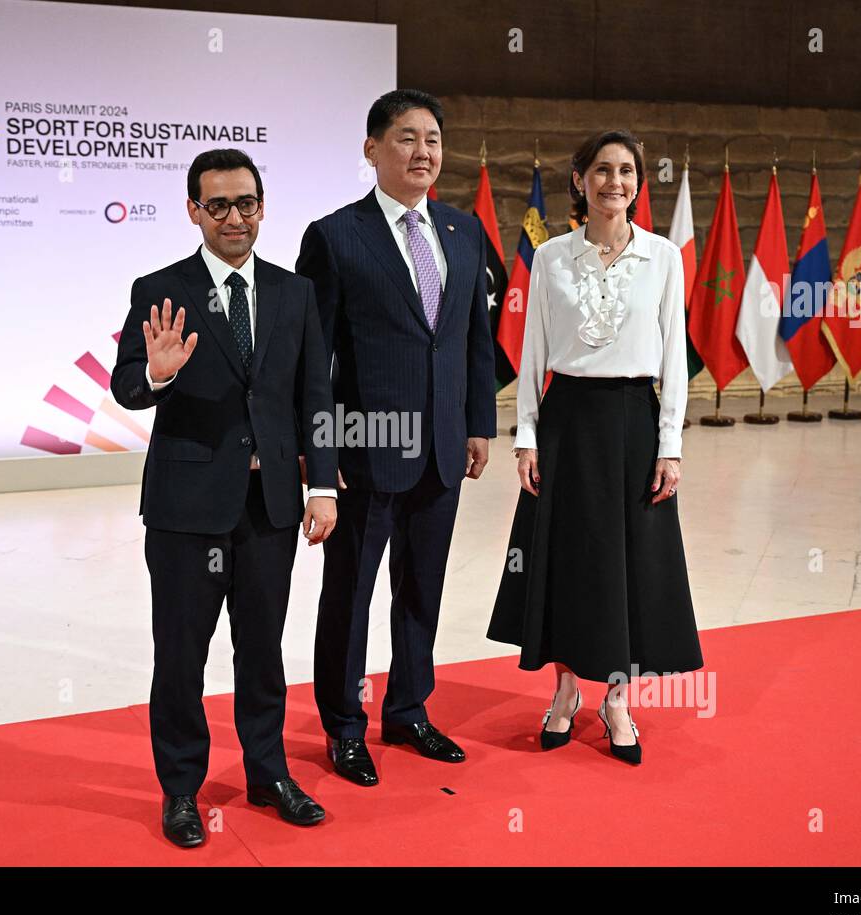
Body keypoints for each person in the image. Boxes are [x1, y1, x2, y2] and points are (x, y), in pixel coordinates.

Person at [111, 148, 339, 847]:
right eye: (219, 206)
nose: (235, 217)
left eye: (247, 203)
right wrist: (156, 372)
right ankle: (180, 789)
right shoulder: (159, 287)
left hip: (269, 506)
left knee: (262, 650)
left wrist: (322, 483)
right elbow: (125, 387)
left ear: (262, 207)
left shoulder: (294, 293)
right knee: (181, 656)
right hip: (186, 511)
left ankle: (268, 773)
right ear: (194, 212)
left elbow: (315, 397)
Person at [296, 89, 498, 787]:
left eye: (433, 140)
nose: (423, 153)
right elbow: (313, 360)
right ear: (372, 149)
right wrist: (321, 456)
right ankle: (344, 726)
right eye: (407, 138)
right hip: (364, 451)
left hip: (443, 447)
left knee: (423, 589)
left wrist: (478, 422)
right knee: (349, 595)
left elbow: (473, 339)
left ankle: (409, 708)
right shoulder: (335, 236)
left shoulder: (463, 231)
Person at [486, 130, 704, 766]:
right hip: (567, 420)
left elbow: (673, 358)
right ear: (579, 180)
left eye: (627, 170)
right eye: (602, 170)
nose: (616, 181)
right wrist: (526, 434)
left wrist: (671, 446)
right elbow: (532, 355)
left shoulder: (664, 258)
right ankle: (563, 692)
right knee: (563, 560)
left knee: (629, 563)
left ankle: (615, 700)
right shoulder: (551, 257)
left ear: (639, 181)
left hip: (635, 422)